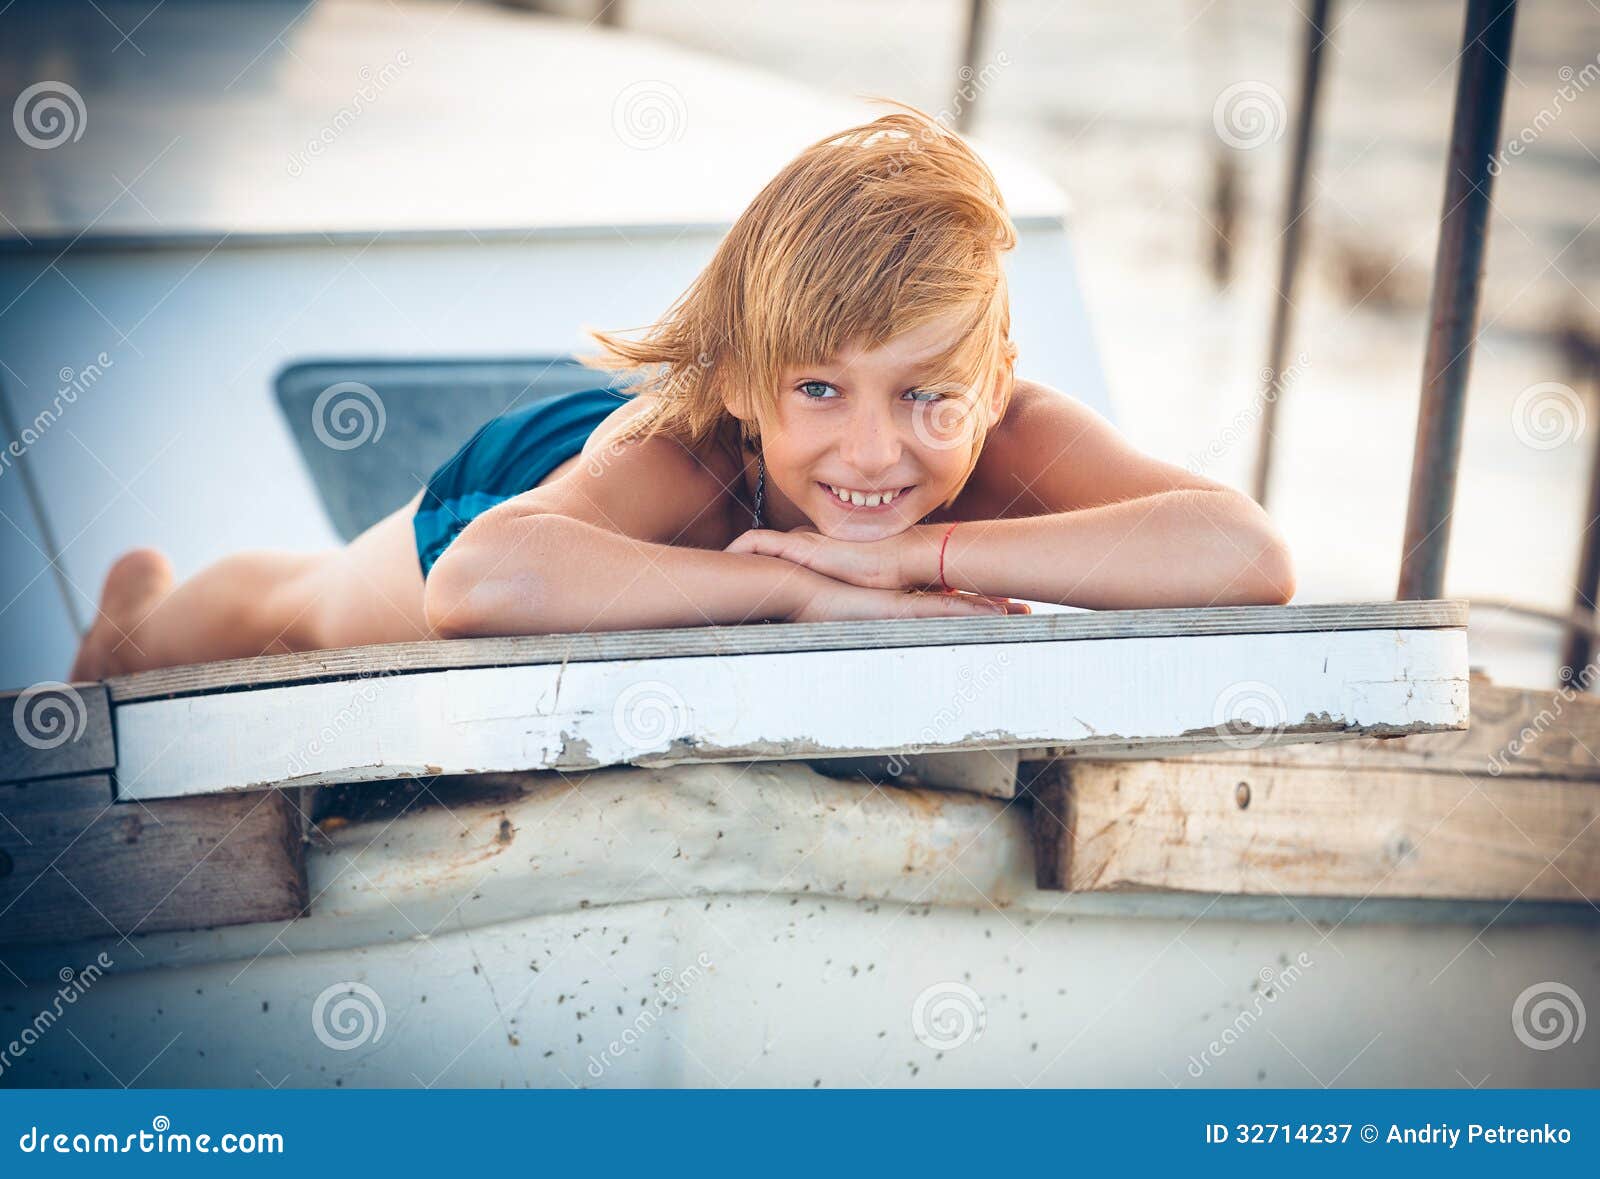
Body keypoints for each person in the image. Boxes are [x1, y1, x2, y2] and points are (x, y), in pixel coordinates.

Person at [70, 107, 1293, 681]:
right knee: (311, 611)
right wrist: (796, 599)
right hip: (556, 501)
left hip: (657, 508)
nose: (876, 451)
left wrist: (918, 562)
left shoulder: (1009, 428)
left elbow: (1241, 553)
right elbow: (481, 587)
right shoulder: (699, 438)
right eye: (822, 387)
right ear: (754, 385)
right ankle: (139, 618)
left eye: (928, 396)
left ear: (991, 383)